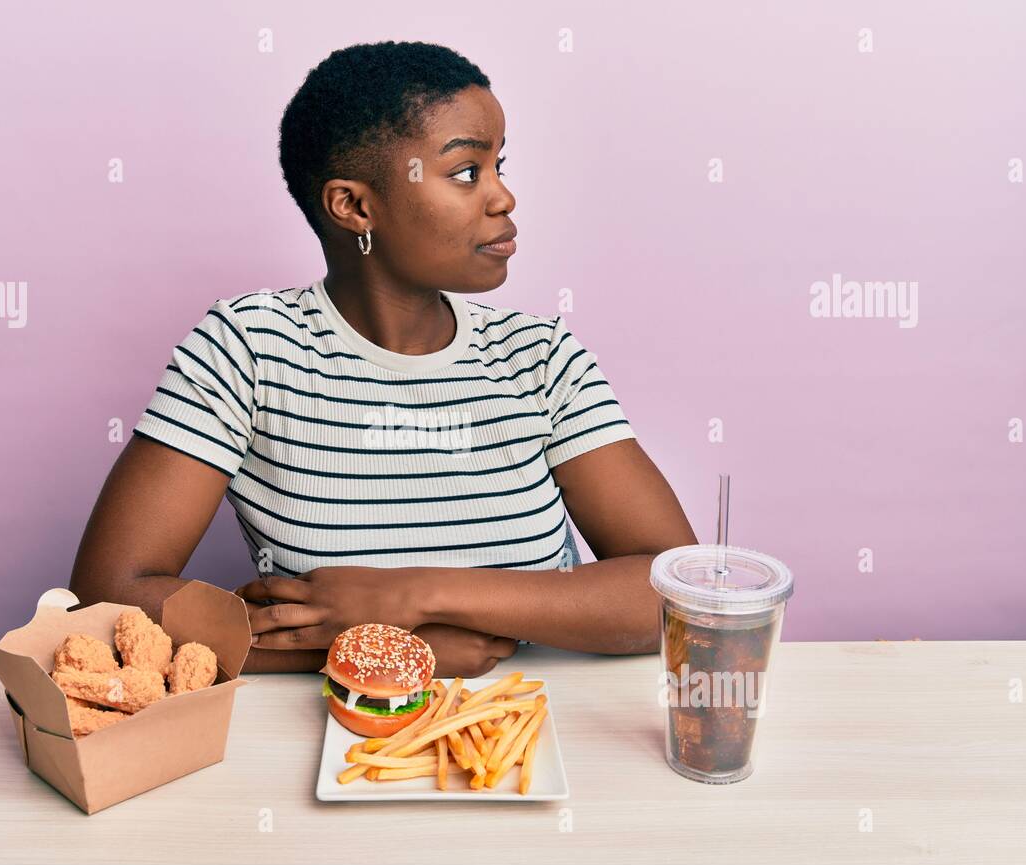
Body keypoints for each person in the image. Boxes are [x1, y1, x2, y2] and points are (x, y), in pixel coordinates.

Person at [70, 41, 697, 677]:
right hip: (327, 748)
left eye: (499, 167)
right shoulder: (249, 349)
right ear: (356, 206)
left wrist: (416, 596)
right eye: (465, 173)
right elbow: (106, 595)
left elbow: (679, 596)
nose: (503, 198)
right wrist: (384, 652)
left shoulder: (540, 358)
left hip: (543, 739)